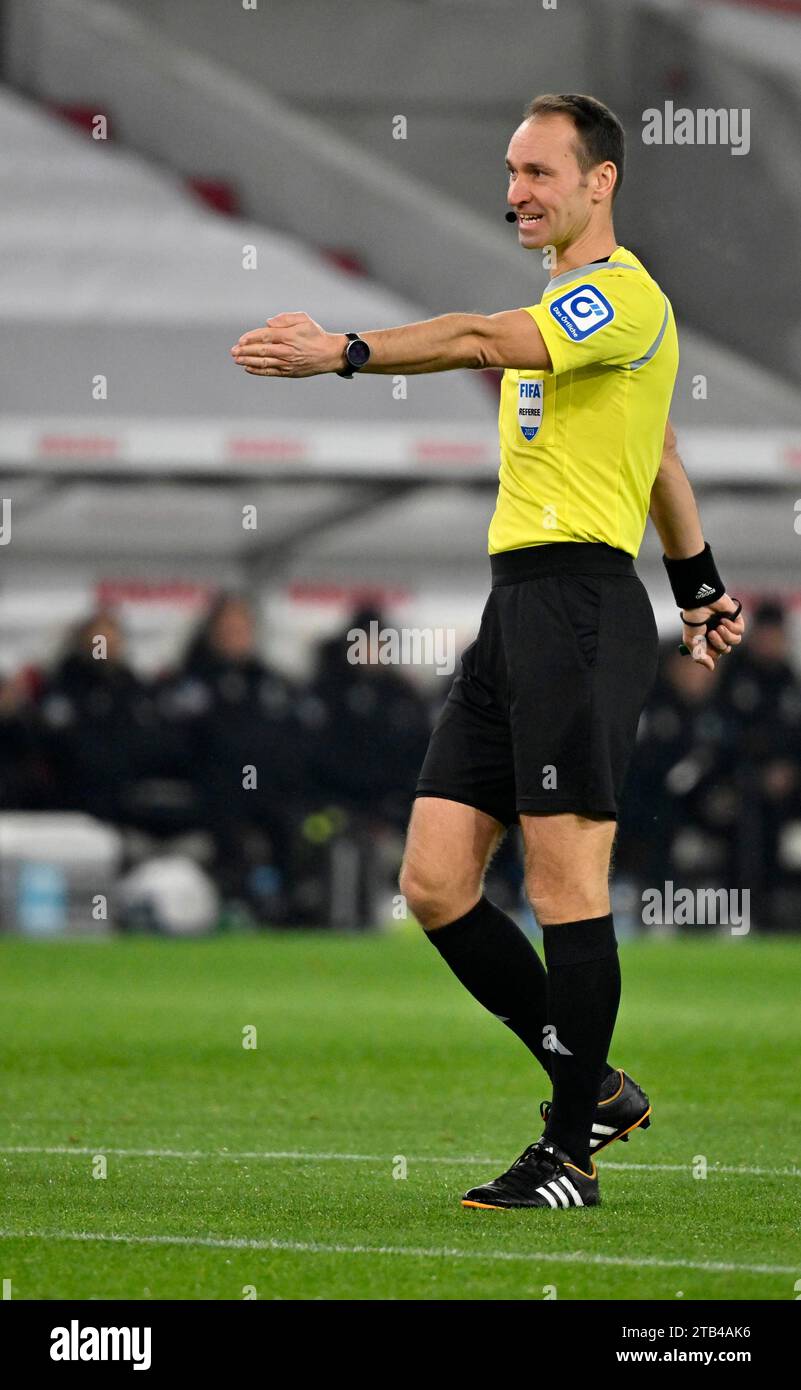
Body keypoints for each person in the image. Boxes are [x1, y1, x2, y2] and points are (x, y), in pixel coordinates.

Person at [230, 93, 745, 1210]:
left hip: (580, 610)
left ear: (599, 183)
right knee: (433, 880)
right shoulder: (573, 305)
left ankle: (568, 1154)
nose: (515, 189)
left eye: (540, 172)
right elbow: (656, 452)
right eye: (511, 171)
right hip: (516, 608)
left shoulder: (623, 293)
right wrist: (701, 582)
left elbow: (474, 337)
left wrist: (344, 351)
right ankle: (590, 1082)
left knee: (565, 887)